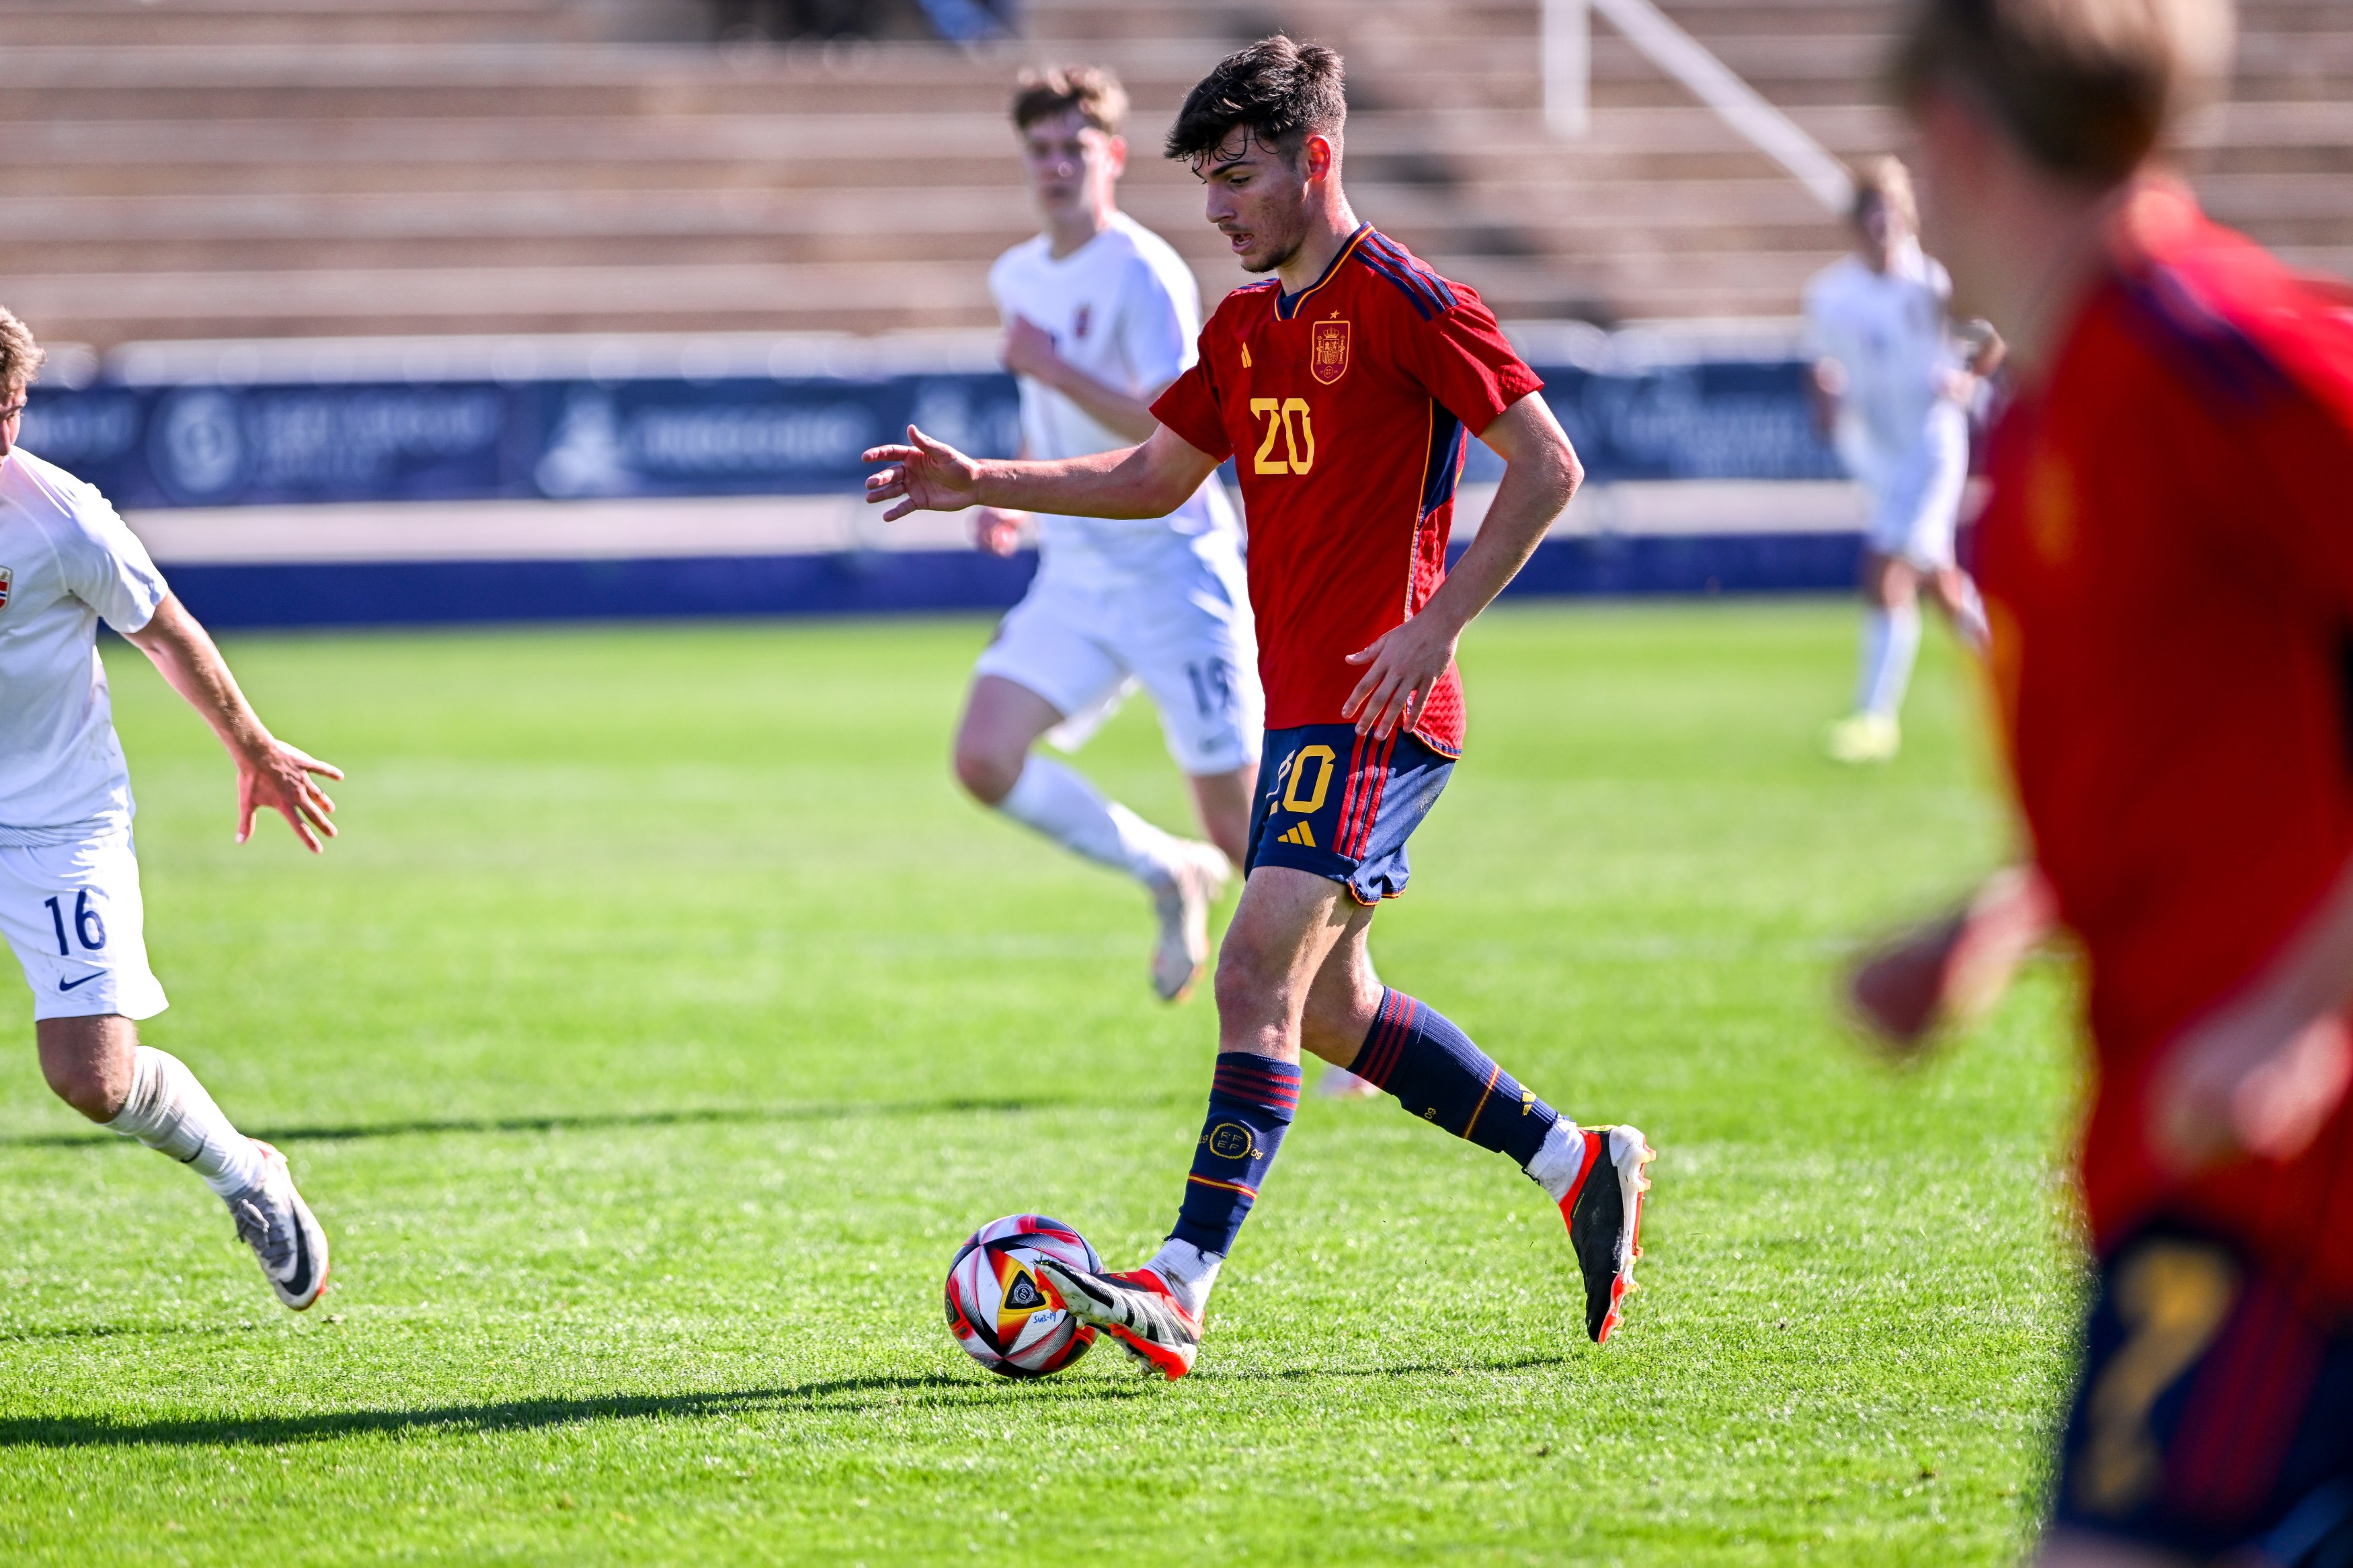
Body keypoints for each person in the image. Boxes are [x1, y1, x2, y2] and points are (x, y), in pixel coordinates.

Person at [869, 37, 1654, 1378]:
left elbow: (1548, 465)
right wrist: (980, 478)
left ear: (1315, 159)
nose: (1219, 208)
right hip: (1302, 710)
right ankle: (1577, 1160)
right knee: (1334, 1007)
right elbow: (1151, 477)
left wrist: (1437, 623)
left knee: (1249, 973)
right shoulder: (1240, 329)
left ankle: (1180, 1280)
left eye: (1237, 178)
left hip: (1379, 709)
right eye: (1205, 184)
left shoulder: (1410, 297)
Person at [1847, 0, 2353, 1560]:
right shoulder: (2053, 415)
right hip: (2175, 1147)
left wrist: (2296, 1014)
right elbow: (2195, 766)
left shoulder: (2224, 361)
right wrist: (2010, 913)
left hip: (2290, 1196)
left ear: (1954, 139)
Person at [0, 308, 338, 1311]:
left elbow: (163, 630)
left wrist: (254, 747)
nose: (7, 431)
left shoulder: (60, 518)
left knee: (93, 1080)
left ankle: (247, 1172)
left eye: (12, 406)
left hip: (57, 822)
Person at [953, 64, 1259, 1004]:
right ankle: (1164, 870)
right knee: (983, 757)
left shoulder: (1144, 271)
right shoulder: (1017, 273)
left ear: (1113, 157)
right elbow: (1050, 416)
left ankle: (1353, 1024)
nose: (1055, 166)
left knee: (1242, 830)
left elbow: (1182, 429)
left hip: (1174, 570)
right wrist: (1012, 487)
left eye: (1073, 148)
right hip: (1080, 568)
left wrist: (1052, 366)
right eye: (1040, 149)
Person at [1808, 156, 2000, 766]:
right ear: (1857, 223)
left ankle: (1874, 719)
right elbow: (1822, 365)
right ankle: (2016, 671)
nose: (1882, 227)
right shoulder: (1832, 295)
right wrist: (1826, 399)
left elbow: (1990, 339)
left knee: (1885, 569)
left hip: (1932, 443)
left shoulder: (1931, 284)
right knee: (1940, 582)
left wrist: (1967, 379)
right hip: (1882, 454)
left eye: (1891, 214)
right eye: (1872, 215)